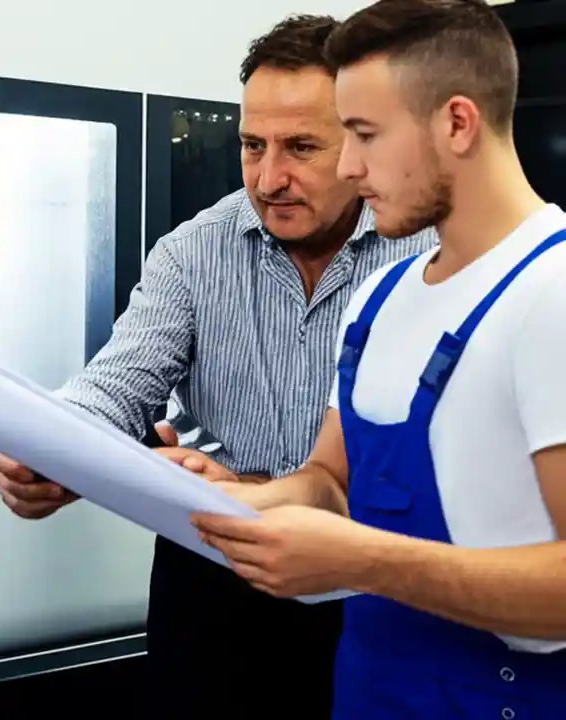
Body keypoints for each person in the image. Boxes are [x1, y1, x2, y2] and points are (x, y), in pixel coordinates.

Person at [0, 13, 436, 719]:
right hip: (216, 585)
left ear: (359, 141)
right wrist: (50, 448)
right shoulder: (194, 251)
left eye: (300, 147)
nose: (269, 177)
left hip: (374, 587)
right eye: (252, 145)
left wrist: (254, 487)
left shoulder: (427, 256)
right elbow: (114, 386)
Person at [177, 1, 566, 717]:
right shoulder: (382, 297)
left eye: (363, 135)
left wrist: (359, 559)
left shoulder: (552, 296)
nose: (349, 169)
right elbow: (328, 480)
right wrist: (225, 501)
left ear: (456, 123)